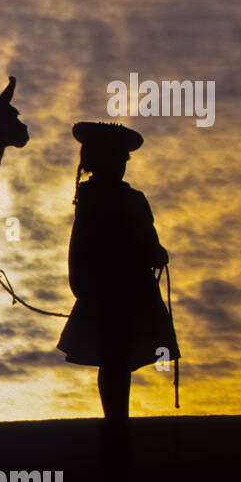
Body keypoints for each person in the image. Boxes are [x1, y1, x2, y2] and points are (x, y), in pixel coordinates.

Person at [57, 122, 179, 429]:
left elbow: (81, 249)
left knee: (114, 359)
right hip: (125, 294)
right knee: (117, 359)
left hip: (102, 293)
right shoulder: (128, 199)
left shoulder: (88, 200)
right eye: (120, 158)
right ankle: (117, 422)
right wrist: (157, 253)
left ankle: (115, 421)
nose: (123, 164)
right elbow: (146, 244)